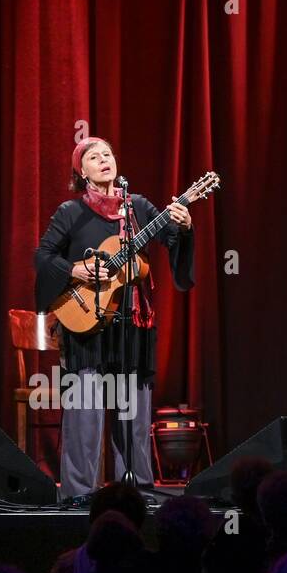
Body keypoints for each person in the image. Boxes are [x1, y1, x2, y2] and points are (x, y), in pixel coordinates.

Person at [34, 138, 195, 499]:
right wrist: (77, 269)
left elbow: (170, 239)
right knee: (85, 419)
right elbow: (43, 258)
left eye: (108, 153)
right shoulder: (70, 213)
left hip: (131, 328)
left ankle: (136, 493)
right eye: (94, 157)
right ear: (82, 172)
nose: (104, 160)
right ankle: (78, 495)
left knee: (134, 420)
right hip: (86, 330)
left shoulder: (137, 207)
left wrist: (183, 227)